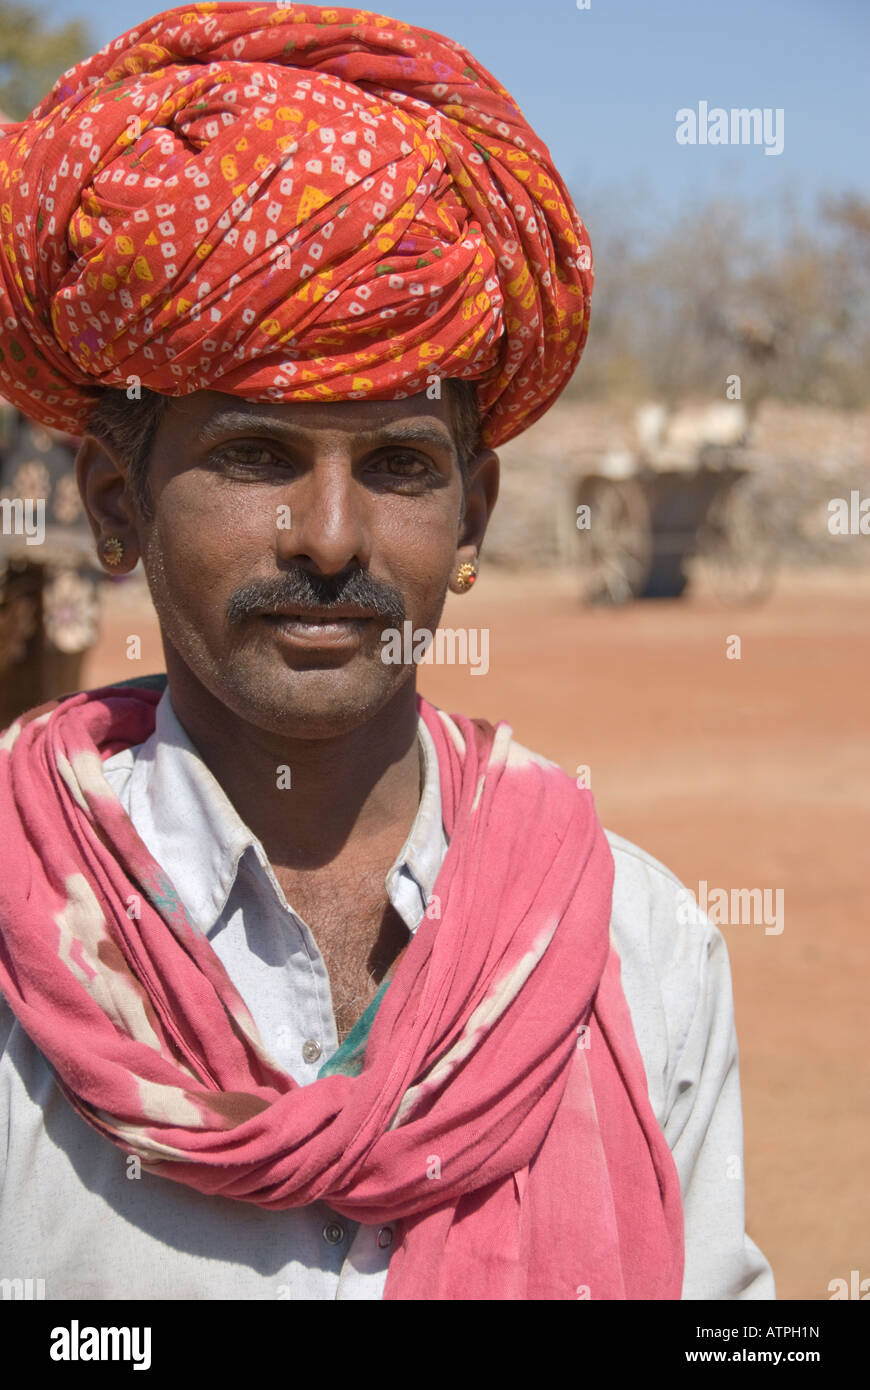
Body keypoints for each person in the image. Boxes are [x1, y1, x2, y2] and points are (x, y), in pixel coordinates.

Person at [0, 2, 774, 1301]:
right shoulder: (19, 930)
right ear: (114, 504)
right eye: (256, 454)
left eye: (401, 467)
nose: (329, 537)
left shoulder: (631, 947)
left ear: (472, 514)